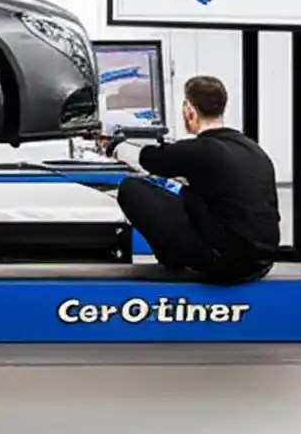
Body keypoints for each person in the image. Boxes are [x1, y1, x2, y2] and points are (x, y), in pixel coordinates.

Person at [109, 75, 280, 284]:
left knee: (132, 189)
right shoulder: (252, 149)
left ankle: (172, 262)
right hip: (262, 262)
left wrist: (112, 146)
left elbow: (147, 160)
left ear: (188, 110)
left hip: (227, 264)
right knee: (185, 194)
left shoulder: (200, 150)